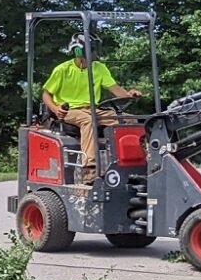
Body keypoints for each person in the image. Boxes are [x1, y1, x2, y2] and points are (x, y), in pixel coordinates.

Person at [40, 36, 142, 180]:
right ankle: (89, 170)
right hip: (69, 111)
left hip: (93, 109)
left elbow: (116, 90)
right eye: (92, 49)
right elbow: (46, 94)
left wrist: (129, 94)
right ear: (79, 51)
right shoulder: (62, 70)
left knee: (130, 120)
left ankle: (134, 164)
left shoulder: (99, 68)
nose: (95, 53)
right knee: (88, 121)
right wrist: (55, 109)